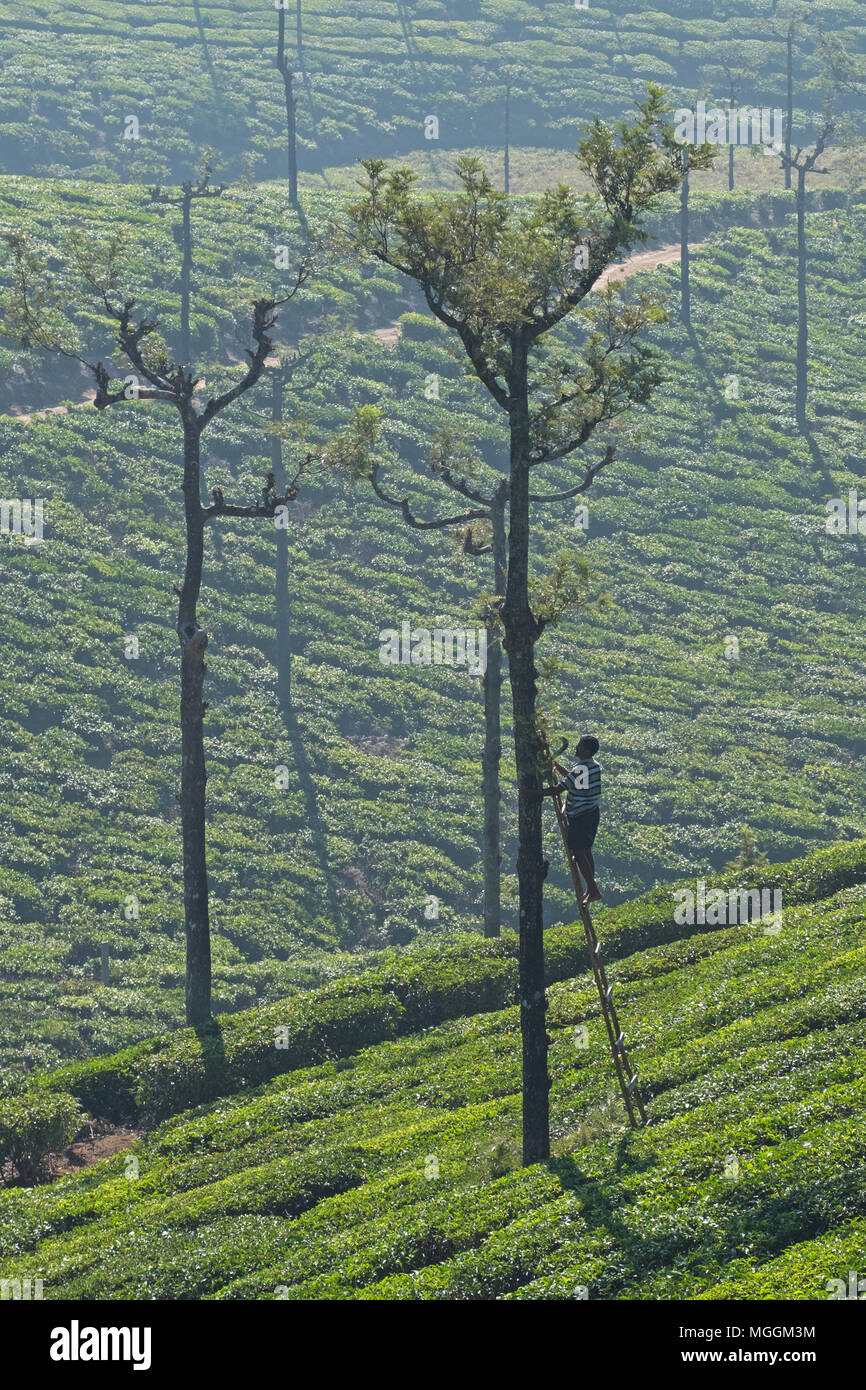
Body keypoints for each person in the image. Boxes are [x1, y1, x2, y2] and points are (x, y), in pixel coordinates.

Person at [545, 734, 603, 905]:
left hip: (580, 816)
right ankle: (591, 889)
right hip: (591, 814)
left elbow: (558, 790)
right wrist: (557, 766)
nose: (576, 748)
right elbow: (574, 779)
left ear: (586, 750)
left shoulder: (581, 768)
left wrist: (531, 794)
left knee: (578, 853)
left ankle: (594, 890)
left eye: (579, 746)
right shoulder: (593, 766)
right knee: (586, 851)